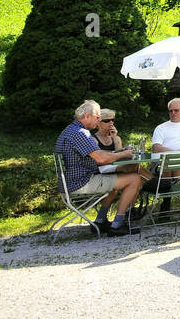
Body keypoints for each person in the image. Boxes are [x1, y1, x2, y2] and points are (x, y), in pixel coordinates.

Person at [55, 101, 143, 235]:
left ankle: (100, 221)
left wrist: (119, 151)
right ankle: (117, 225)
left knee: (115, 179)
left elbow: (99, 155)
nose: (99, 119)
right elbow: (101, 158)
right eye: (97, 116)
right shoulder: (80, 133)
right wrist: (124, 154)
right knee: (135, 179)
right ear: (86, 116)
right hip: (81, 182)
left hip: (72, 181)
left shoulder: (71, 130)